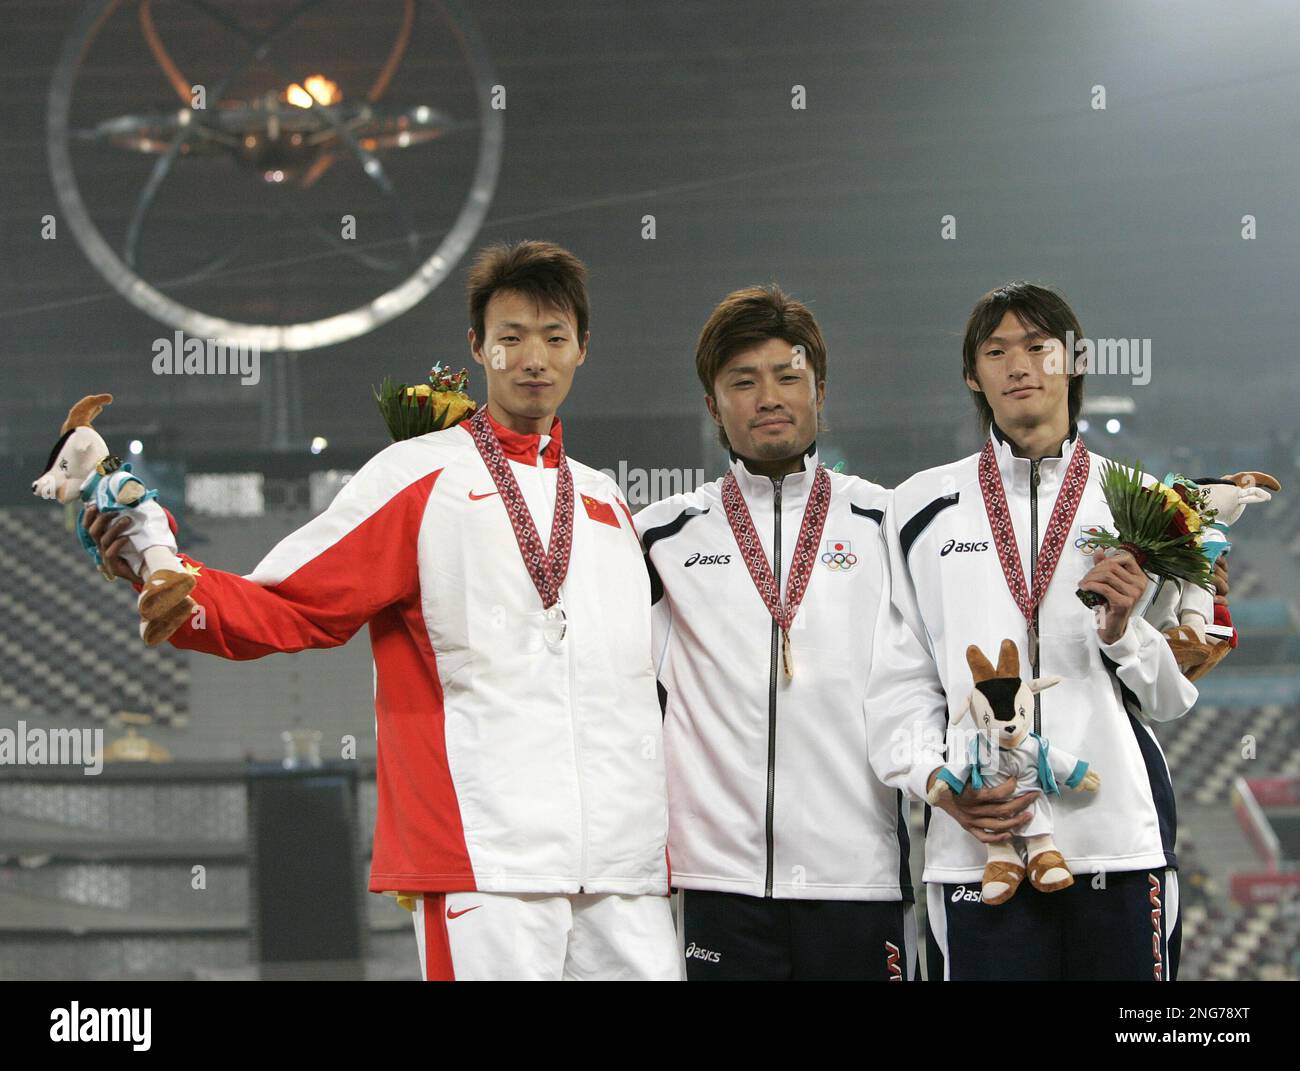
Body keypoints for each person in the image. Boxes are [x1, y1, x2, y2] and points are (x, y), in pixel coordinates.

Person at [85, 240, 682, 982]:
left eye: (555, 337)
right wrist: (162, 570)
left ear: (583, 349)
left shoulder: (610, 500)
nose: (534, 357)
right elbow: (292, 602)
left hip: (622, 868)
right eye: (512, 337)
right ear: (478, 348)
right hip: (485, 860)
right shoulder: (422, 474)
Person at [865, 281, 1199, 981]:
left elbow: (1170, 697)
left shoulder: (1140, 502)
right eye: (996, 350)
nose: (1018, 365)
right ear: (972, 374)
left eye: (1037, 346)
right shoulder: (920, 507)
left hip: (1116, 840)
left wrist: (1122, 632)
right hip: (979, 852)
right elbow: (900, 683)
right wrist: (938, 782)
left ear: (1073, 360)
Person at [633, 285, 916, 980]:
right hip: (718, 879)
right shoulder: (660, 538)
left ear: (820, 391)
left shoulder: (891, 525)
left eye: (788, 376)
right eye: (743, 381)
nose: (768, 396)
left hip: (859, 873)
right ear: (712, 405)